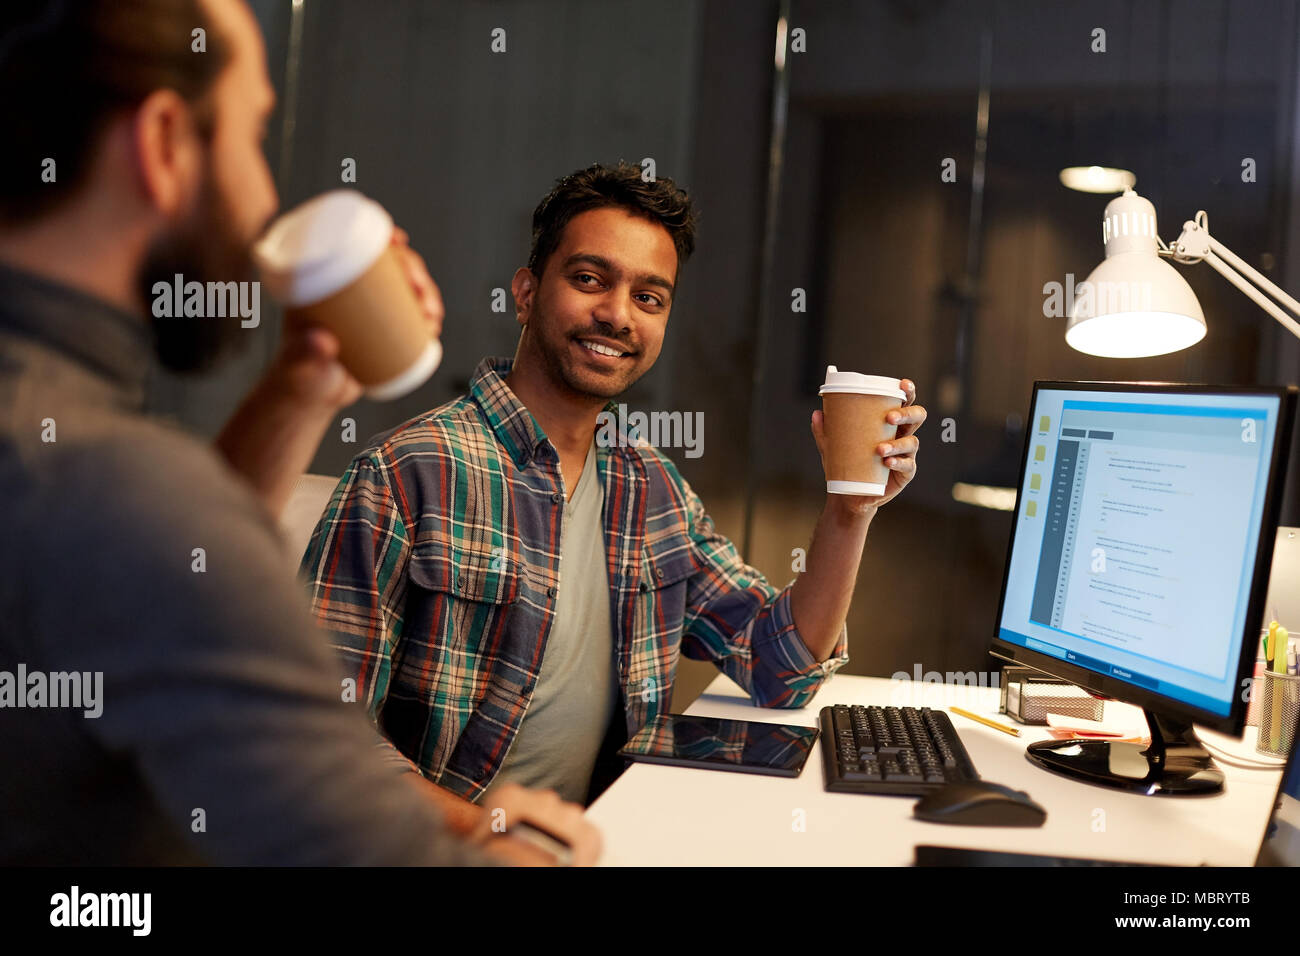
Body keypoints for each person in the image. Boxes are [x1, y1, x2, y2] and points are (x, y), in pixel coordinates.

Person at [0, 0, 598, 865]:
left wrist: (306, 385)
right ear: (166, 143)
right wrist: (533, 844)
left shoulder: (85, 478)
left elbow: (145, 585)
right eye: (249, 134)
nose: (263, 198)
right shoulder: (111, 488)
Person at [302, 161, 928, 814]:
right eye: (589, 279)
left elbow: (780, 666)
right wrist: (478, 838)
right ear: (525, 292)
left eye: (649, 298)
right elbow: (316, 732)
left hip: (607, 840)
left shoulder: (650, 488)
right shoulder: (405, 474)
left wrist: (851, 507)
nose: (617, 315)